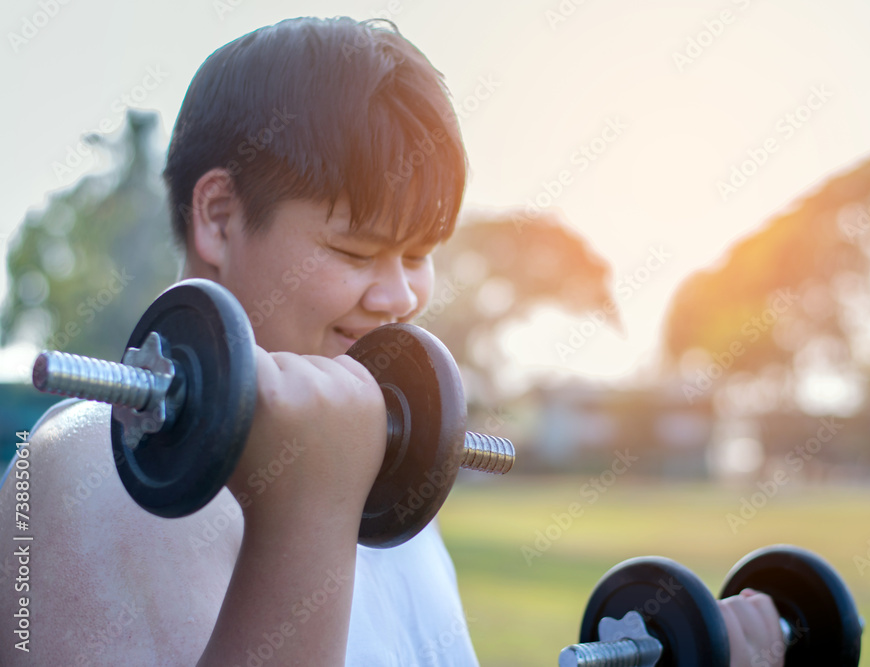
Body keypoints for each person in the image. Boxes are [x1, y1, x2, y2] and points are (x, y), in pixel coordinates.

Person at [0, 16, 783, 666]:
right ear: (219, 216)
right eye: (355, 249)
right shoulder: (82, 473)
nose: (401, 296)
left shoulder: (386, 491)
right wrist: (308, 511)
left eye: (417, 255)